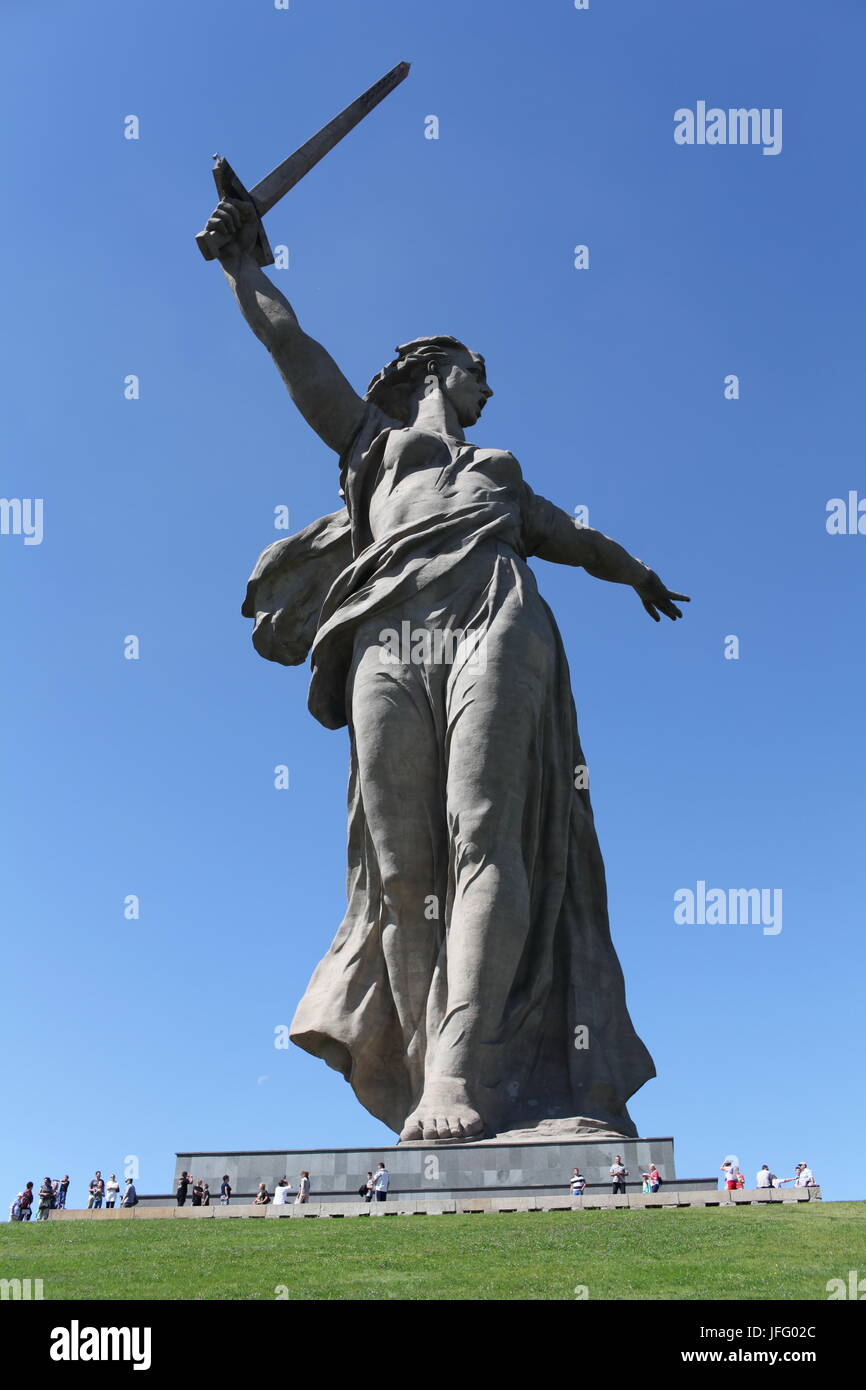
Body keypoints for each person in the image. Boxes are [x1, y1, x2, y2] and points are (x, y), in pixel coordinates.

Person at [209, 195, 689, 1145]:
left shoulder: (501, 472)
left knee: (484, 835)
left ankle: (461, 1077)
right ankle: (429, 1067)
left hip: (495, 622)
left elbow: (574, 539)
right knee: (400, 870)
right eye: (479, 372)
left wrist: (638, 574)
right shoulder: (374, 451)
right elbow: (294, 353)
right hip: (388, 633)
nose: (488, 390)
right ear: (436, 367)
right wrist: (242, 268)